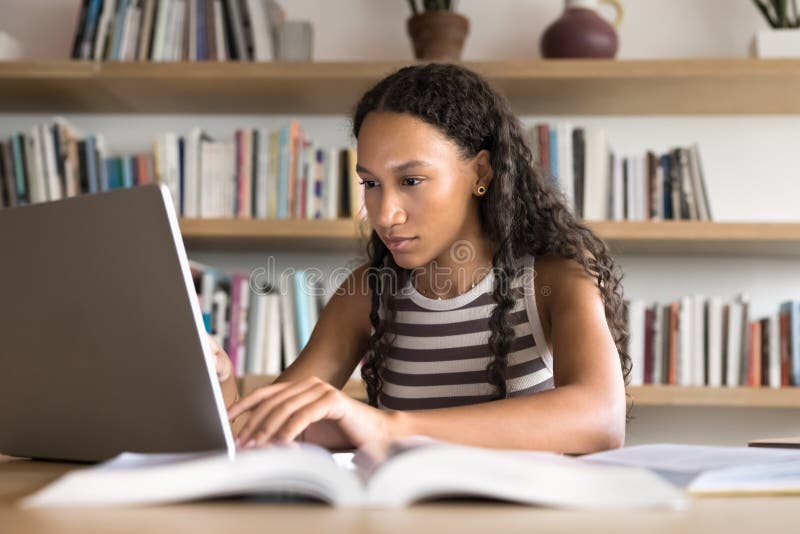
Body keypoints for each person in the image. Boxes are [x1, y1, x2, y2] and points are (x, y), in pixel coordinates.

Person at [212, 62, 630, 455]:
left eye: (411, 180)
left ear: (481, 174)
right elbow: (267, 429)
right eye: (371, 183)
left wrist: (389, 428)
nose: (385, 213)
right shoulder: (366, 293)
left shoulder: (555, 277)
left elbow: (601, 419)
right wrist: (225, 382)